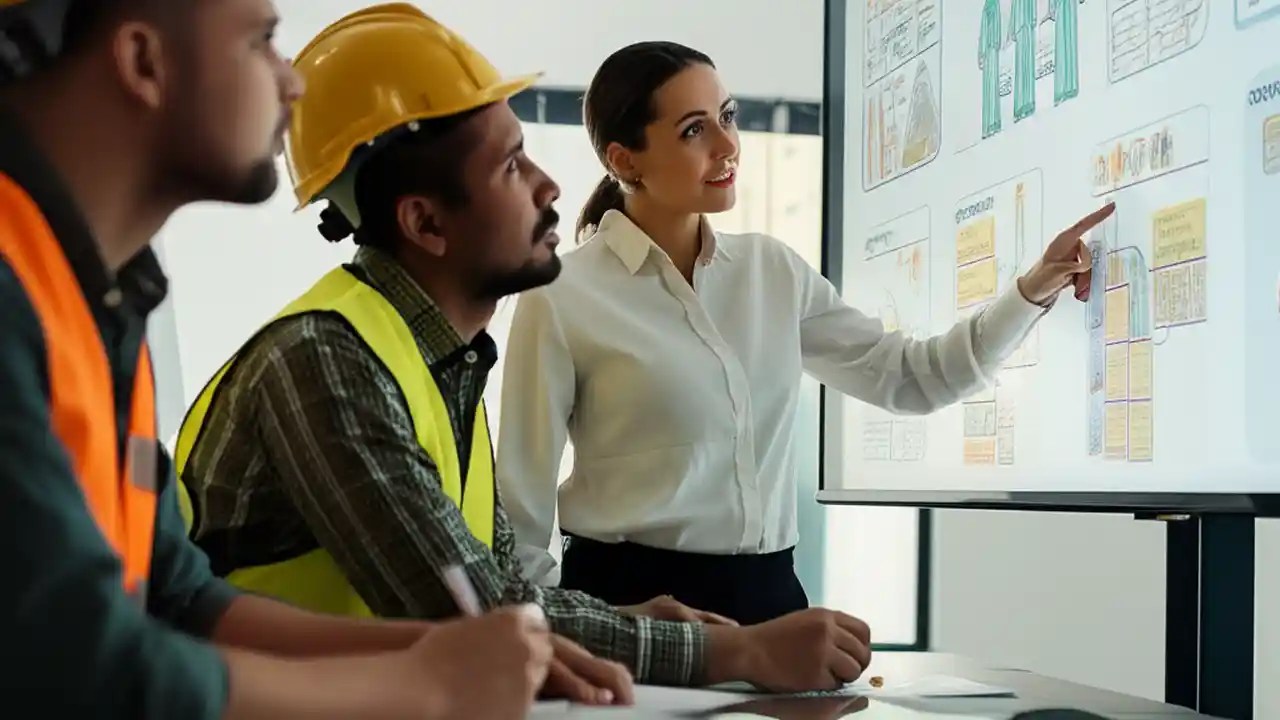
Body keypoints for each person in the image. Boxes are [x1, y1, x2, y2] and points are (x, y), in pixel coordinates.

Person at [178, 3, 876, 695]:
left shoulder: (437, 364)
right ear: (424, 221)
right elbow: (472, 612)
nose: (550, 187)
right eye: (513, 166)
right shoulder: (326, 363)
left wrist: (619, 618)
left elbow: (507, 597)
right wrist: (733, 651)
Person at [0, 0, 563, 718]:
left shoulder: (102, 300)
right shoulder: (14, 290)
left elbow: (179, 595)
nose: (292, 84)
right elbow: (82, 662)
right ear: (144, 61)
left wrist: (432, 655)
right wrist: (422, 685)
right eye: (263, 40)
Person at [494, 41, 1115, 625]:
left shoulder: (772, 271)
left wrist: (1033, 287)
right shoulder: (561, 294)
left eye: (727, 116)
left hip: (771, 602)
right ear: (623, 159)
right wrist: (563, 635)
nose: (727, 145)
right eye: (693, 129)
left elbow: (915, 380)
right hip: (628, 603)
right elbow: (519, 514)